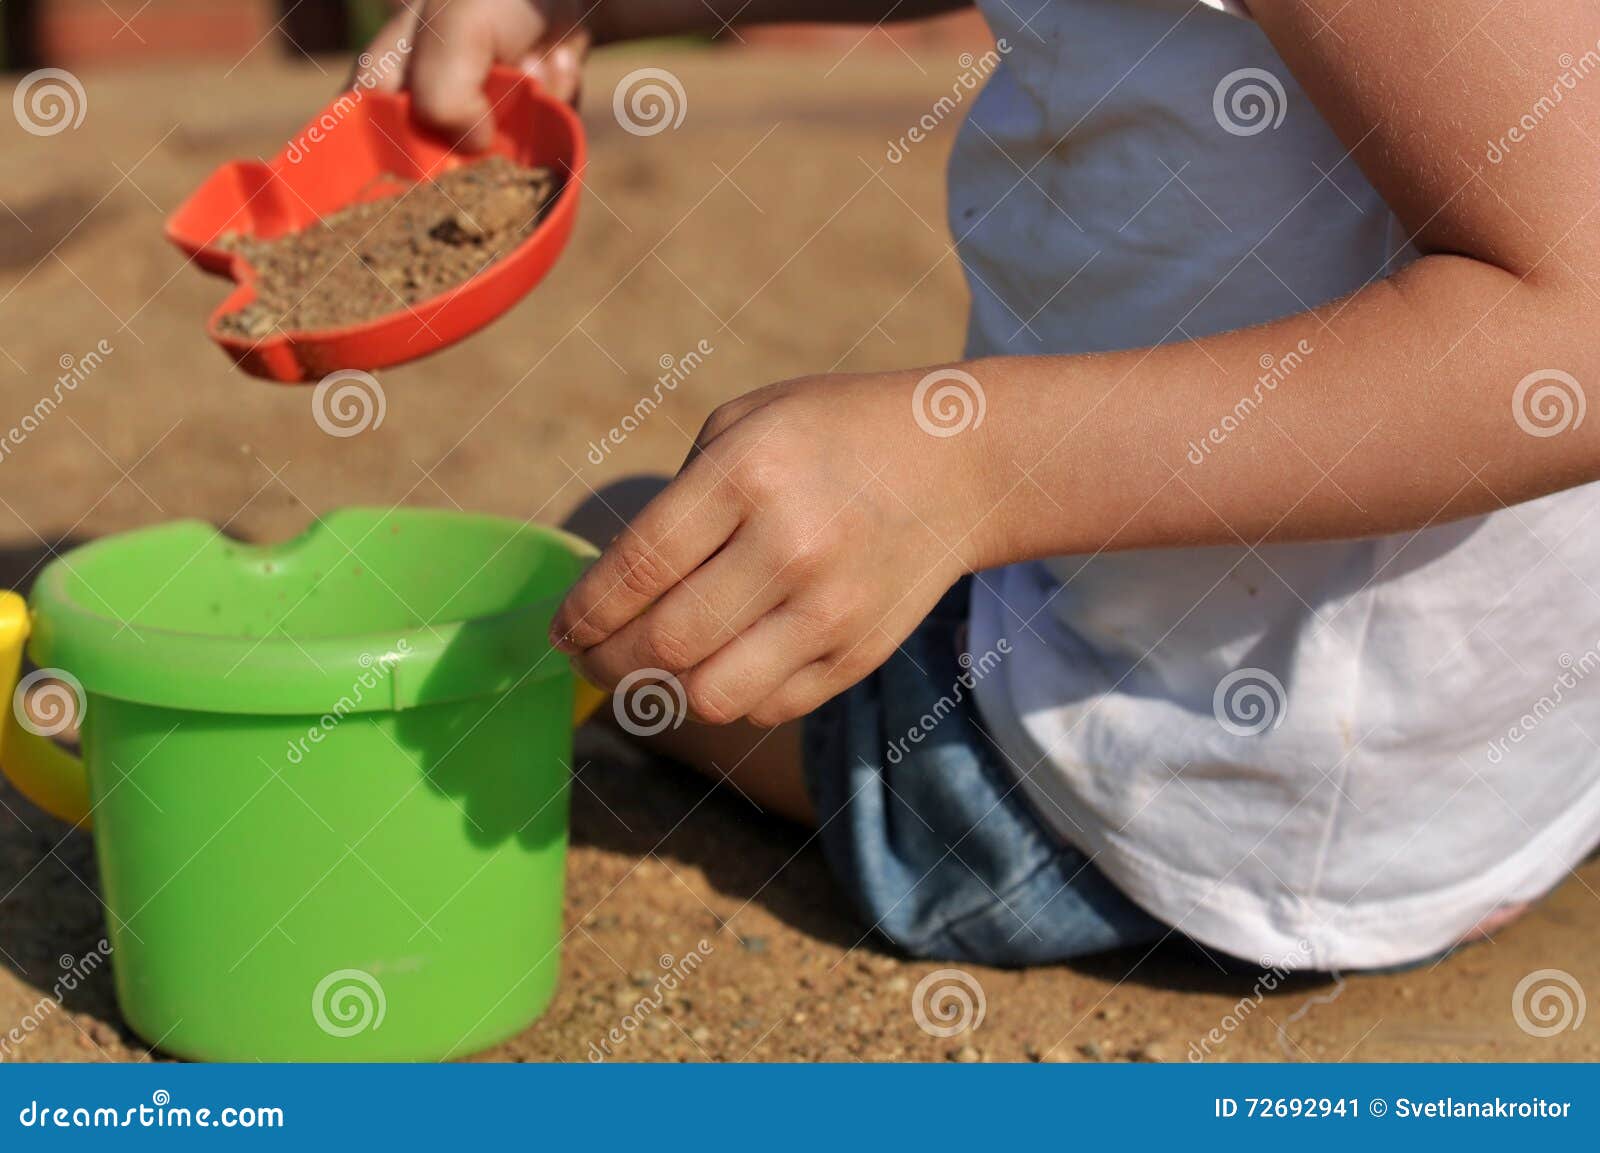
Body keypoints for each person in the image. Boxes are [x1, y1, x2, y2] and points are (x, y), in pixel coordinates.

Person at [367, 0, 1600, 971]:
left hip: (1220, 768)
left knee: (619, 559)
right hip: (1525, 730)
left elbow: (1580, 332)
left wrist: (970, 471)